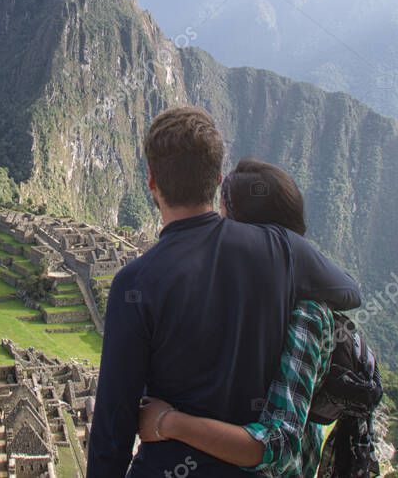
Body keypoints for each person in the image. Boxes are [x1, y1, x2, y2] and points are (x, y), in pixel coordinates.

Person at [87, 107, 362, 477]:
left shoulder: (135, 283)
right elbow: (348, 292)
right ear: (217, 178)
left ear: (151, 181)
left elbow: (112, 428)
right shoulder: (280, 249)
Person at [137, 158, 339, 476]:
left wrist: (169, 423)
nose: (218, 231)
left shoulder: (305, 313)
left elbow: (280, 444)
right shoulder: (236, 291)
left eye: (224, 220)